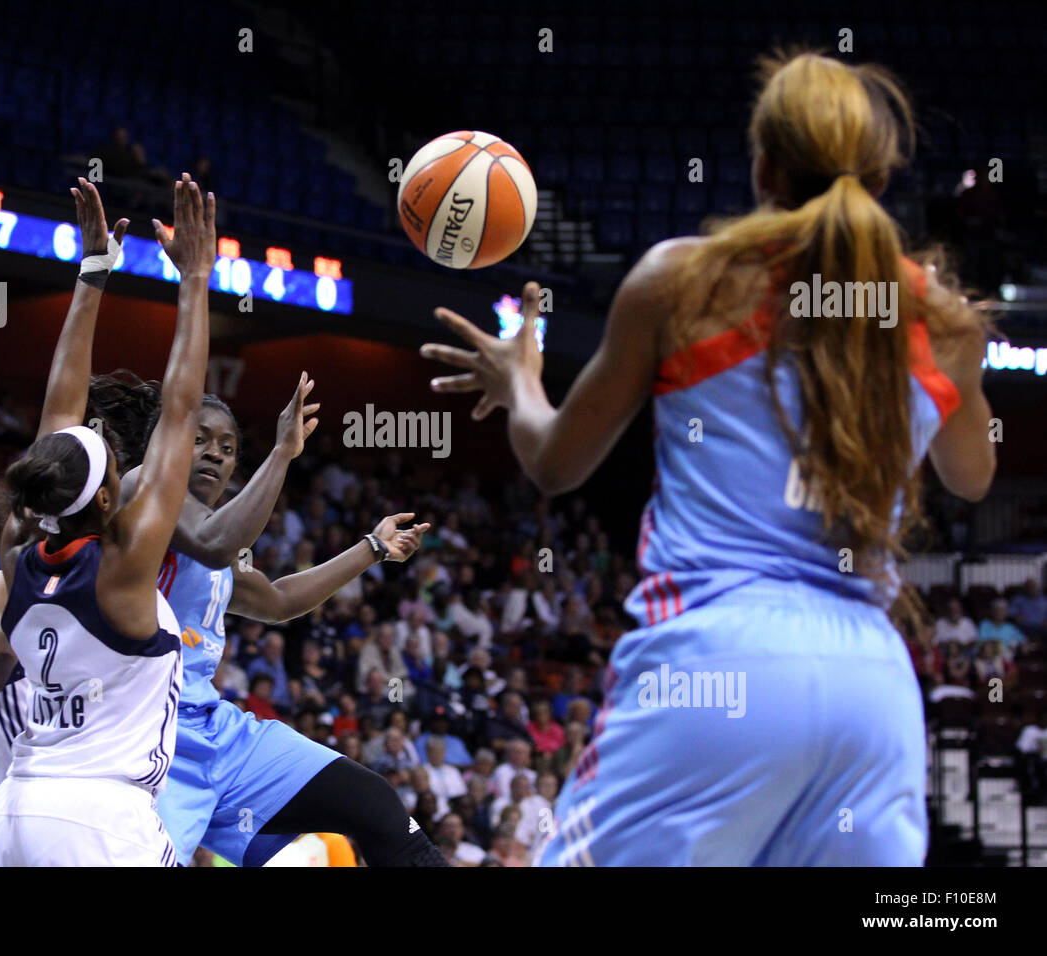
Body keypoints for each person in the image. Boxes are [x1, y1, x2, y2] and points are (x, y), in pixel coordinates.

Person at [424, 51, 995, 866]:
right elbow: (971, 478)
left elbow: (554, 465)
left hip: (721, 665)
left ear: (763, 166)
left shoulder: (681, 280)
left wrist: (521, 384)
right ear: (880, 172)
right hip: (875, 685)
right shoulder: (945, 323)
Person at [89, 360, 443, 867]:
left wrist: (373, 548)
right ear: (164, 447)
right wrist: (283, 452)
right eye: (200, 439)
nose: (215, 452)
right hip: (142, 737)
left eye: (229, 448)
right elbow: (214, 541)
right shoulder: (143, 489)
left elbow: (277, 602)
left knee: (373, 803)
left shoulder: (212, 539)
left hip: (213, 732)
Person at [0, 176, 210, 866]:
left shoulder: (16, 557)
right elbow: (183, 409)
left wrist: (94, 271)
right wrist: (194, 279)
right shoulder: (125, 565)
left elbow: (57, 417)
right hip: (98, 821)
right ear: (106, 499)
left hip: (10, 813)